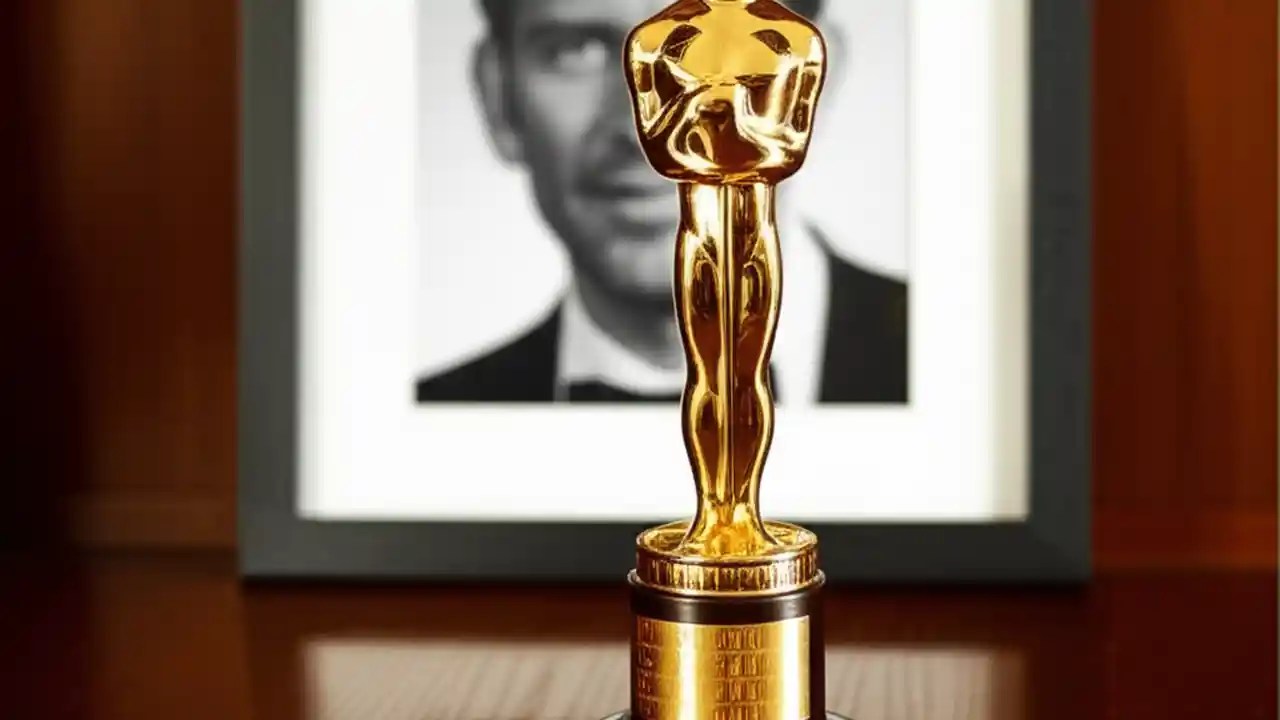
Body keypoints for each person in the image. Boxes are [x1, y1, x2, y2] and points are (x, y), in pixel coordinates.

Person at [416, 0, 907, 405]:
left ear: (810, 89)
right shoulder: (420, 435)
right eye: (576, 51)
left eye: (717, 51)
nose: (643, 130)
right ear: (499, 97)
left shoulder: (965, 372)